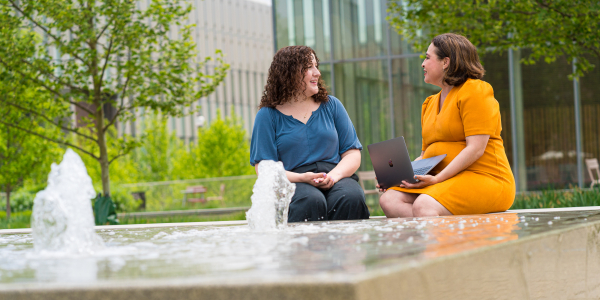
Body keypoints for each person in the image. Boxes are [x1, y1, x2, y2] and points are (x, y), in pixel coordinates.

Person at [378, 33, 516, 217]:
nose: (423, 64)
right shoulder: (429, 103)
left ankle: (441, 243)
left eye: (427, 58)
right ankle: (433, 241)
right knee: (389, 199)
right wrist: (395, 176)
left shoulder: (475, 91)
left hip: (485, 177)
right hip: (441, 180)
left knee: (424, 205)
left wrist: (437, 179)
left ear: (446, 62)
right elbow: (425, 156)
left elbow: (476, 149)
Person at [250, 45, 370, 222]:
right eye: (309, 67)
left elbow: (352, 153)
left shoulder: (332, 105)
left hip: (335, 175)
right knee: (310, 201)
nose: (317, 73)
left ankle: (345, 249)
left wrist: (333, 176)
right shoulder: (268, 116)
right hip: (294, 180)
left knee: (350, 197)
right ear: (289, 73)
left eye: (316, 66)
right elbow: (264, 169)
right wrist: (301, 178)